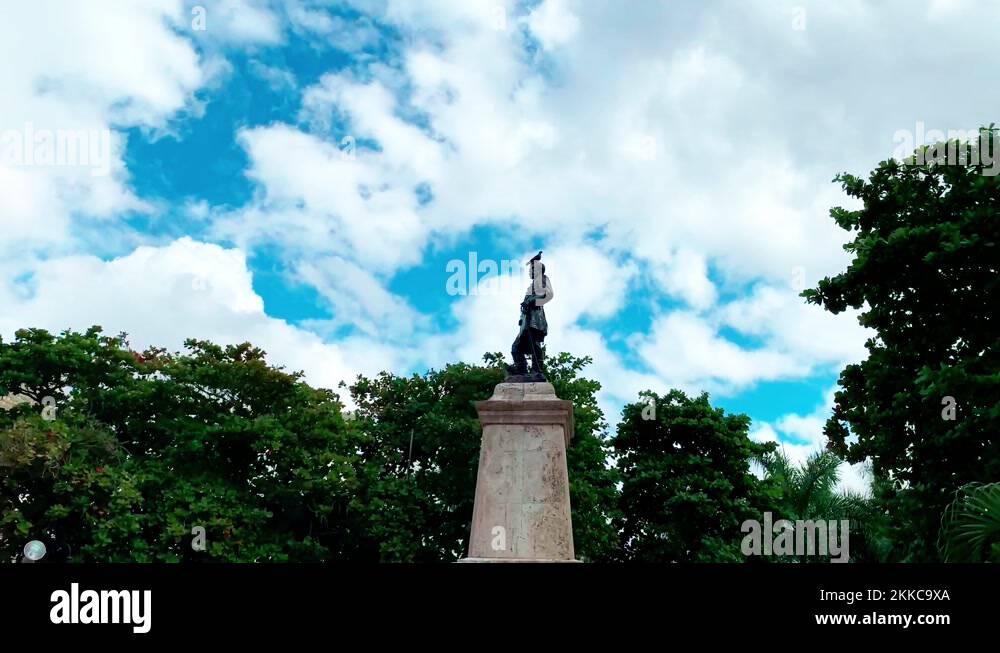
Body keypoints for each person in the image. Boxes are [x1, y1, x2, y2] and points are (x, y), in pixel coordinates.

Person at [507, 254, 553, 380]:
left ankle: (537, 370)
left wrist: (532, 300)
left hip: (535, 319)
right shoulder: (531, 286)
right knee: (516, 347)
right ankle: (521, 369)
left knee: (535, 345)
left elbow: (548, 295)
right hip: (526, 320)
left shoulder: (543, 279)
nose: (529, 273)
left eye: (531, 270)